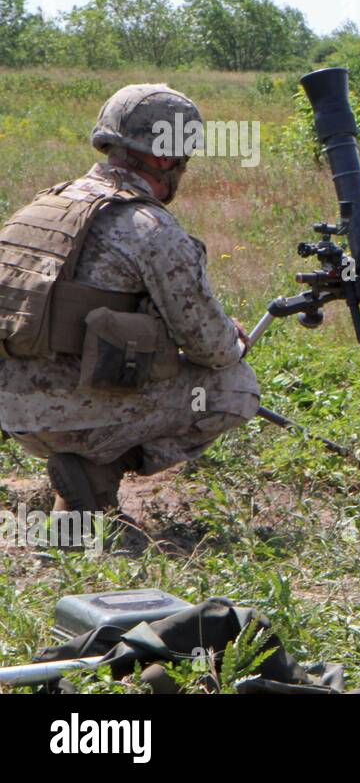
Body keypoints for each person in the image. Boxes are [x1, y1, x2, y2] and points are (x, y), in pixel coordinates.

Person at [0, 84, 260, 512]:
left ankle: (82, 480)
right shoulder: (150, 229)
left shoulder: (41, 206)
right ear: (163, 158)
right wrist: (231, 338)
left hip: (12, 411)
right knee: (234, 387)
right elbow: (213, 349)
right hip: (73, 411)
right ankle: (96, 473)